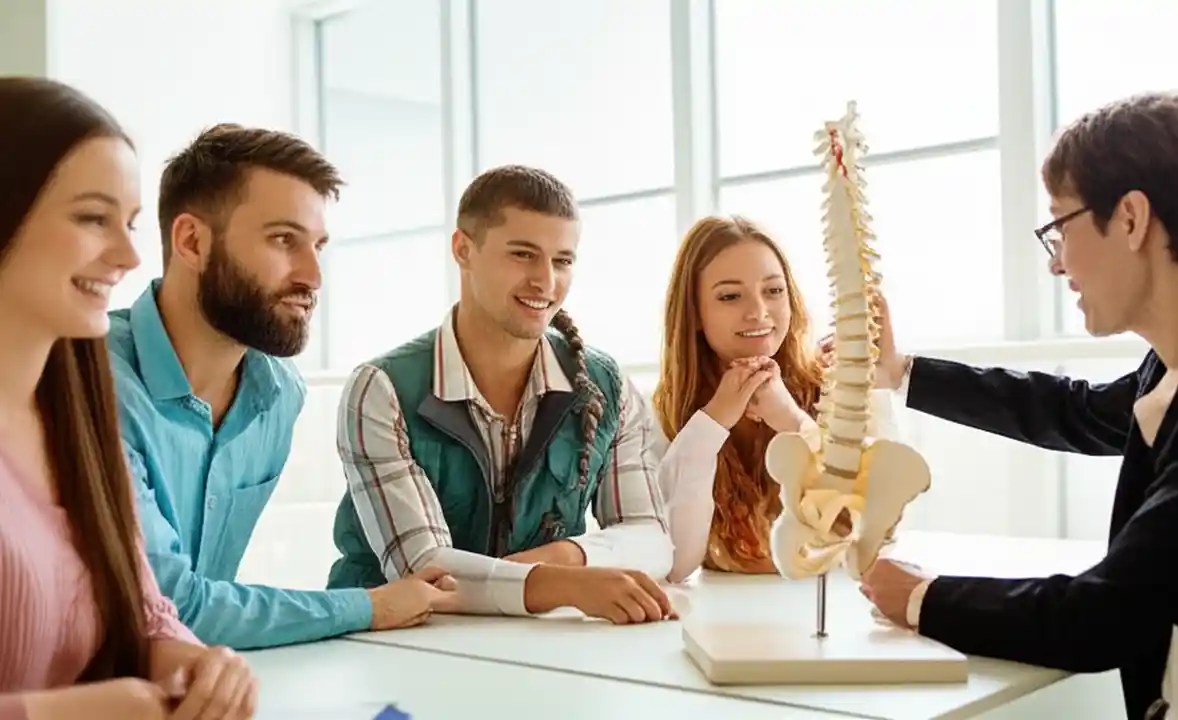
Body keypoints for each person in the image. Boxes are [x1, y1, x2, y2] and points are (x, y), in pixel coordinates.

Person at [859, 91, 1178, 719]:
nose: (1057, 264)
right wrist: (901, 372)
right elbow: (1071, 410)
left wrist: (925, 598)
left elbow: (1107, 614)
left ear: (1131, 219)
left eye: (1060, 226)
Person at [107, 122, 457, 652]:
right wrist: (371, 604)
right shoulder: (92, 381)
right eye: (283, 240)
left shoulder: (277, 395)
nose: (313, 276)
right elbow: (168, 607)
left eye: (317, 245)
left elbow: (204, 603)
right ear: (192, 241)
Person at [0, 76, 255, 720]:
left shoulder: (82, 428)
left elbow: (143, 613)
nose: (128, 255)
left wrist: (190, 663)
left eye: (131, 223)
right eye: (92, 218)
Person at [328, 164, 676, 625]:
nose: (546, 282)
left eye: (563, 260)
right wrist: (562, 584)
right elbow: (425, 571)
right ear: (463, 250)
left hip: (527, 648)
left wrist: (563, 557)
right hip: (391, 646)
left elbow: (650, 537)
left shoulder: (605, 385)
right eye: (522, 255)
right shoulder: (381, 390)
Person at [651, 215, 900, 582]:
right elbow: (672, 562)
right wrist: (713, 421)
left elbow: (879, 529)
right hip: (720, 617)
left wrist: (790, 419)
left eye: (773, 290)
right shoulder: (663, 411)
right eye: (730, 296)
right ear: (695, 313)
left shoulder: (843, 386)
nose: (758, 311)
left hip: (837, 608)